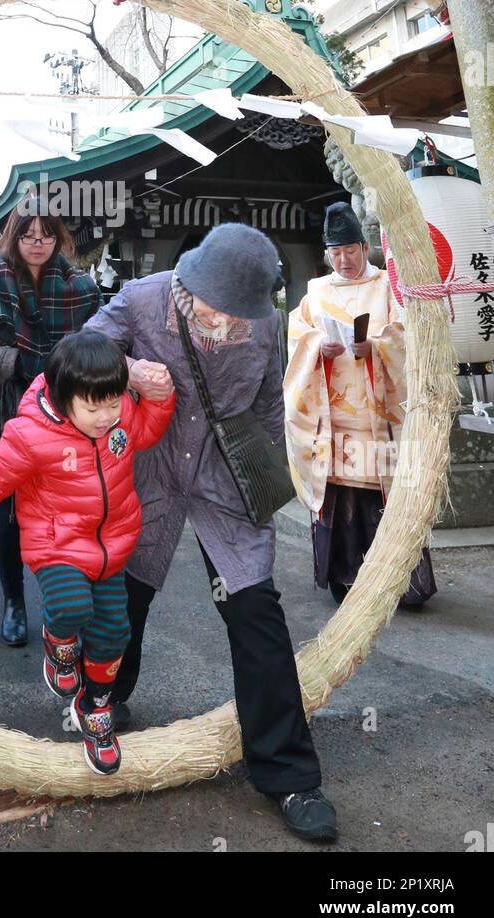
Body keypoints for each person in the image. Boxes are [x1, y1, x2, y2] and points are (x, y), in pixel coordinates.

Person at [84, 222, 338, 842]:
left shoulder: (265, 323)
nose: (225, 325)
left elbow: (267, 406)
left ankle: (289, 773)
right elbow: (79, 355)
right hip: (152, 463)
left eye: (238, 317)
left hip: (227, 476)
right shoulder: (143, 297)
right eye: (213, 312)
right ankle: (103, 704)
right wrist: (129, 369)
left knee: (255, 611)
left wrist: (274, 480)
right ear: (189, 284)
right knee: (126, 593)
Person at [0, 331, 175, 774]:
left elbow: (148, 429)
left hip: (112, 546)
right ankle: (59, 643)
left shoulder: (119, 416)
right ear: (63, 396)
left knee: (115, 633)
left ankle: (94, 707)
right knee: (71, 607)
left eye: (113, 404)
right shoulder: (31, 433)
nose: (106, 417)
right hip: (55, 544)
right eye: (94, 408)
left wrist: (160, 397)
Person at [284, 201, 435, 609]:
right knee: (346, 500)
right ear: (326, 254)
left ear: (365, 245)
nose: (343, 259)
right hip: (336, 420)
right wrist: (320, 349)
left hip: (382, 416)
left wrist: (378, 347)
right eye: (335, 252)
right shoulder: (317, 292)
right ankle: (346, 580)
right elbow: (298, 340)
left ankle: (403, 583)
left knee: (391, 498)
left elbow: (408, 337)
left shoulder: (388, 286)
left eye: (350, 250)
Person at [0, 205, 101, 647]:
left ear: (59, 237)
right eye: (28, 234)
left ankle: (63, 607)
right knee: (8, 512)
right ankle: (13, 603)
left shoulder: (80, 287)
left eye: (47, 233)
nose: (38, 241)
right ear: (14, 236)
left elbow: (98, 343)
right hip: (9, 404)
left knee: (66, 511)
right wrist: (20, 362)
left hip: (67, 409)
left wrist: (65, 371)